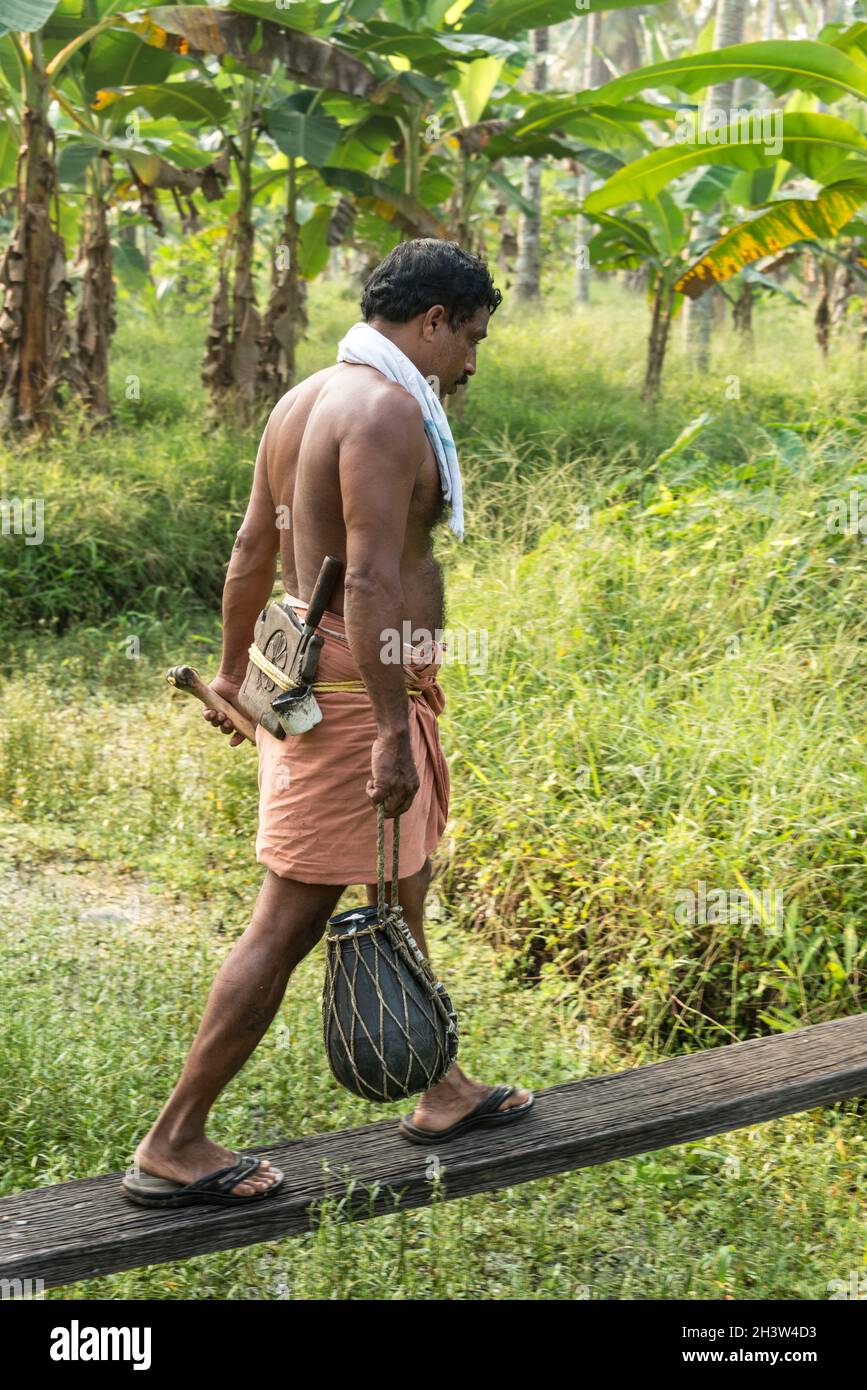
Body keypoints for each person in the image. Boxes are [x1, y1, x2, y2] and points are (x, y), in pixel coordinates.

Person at [123, 238, 534, 1209]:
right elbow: (378, 578)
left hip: (320, 679)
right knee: (288, 919)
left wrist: (235, 673)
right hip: (356, 699)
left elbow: (251, 545)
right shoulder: (387, 411)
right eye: (469, 337)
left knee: (404, 879)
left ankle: (441, 1085)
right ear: (430, 321)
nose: (471, 361)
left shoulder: (304, 398)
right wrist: (391, 732)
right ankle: (172, 1139)